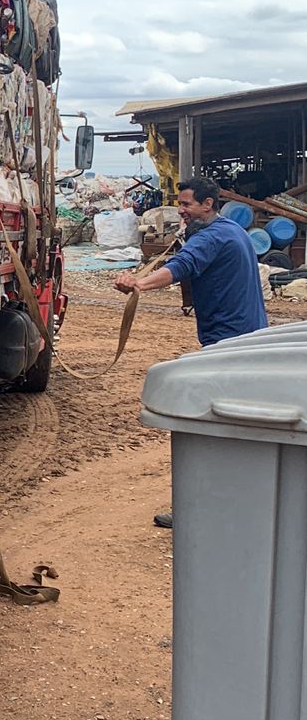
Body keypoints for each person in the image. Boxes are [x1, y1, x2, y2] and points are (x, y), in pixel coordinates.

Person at [115, 176, 268, 528]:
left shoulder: (212, 236)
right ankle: (238, 503)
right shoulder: (231, 230)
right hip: (246, 339)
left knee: (212, 428)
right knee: (232, 427)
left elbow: (181, 266)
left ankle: (203, 509)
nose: (180, 211)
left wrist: (139, 283)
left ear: (207, 205)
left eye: (185, 205)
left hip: (228, 345)